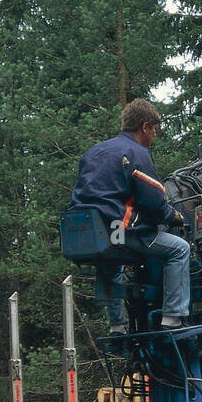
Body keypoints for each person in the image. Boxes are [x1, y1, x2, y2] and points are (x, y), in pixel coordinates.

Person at [67, 98, 190, 333]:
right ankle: (173, 318)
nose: (154, 136)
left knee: (112, 257)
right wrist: (171, 216)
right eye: (154, 129)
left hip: (92, 231)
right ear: (144, 126)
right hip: (123, 230)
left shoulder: (94, 152)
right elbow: (153, 202)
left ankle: (116, 325)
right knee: (180, 249)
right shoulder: (137, 153)